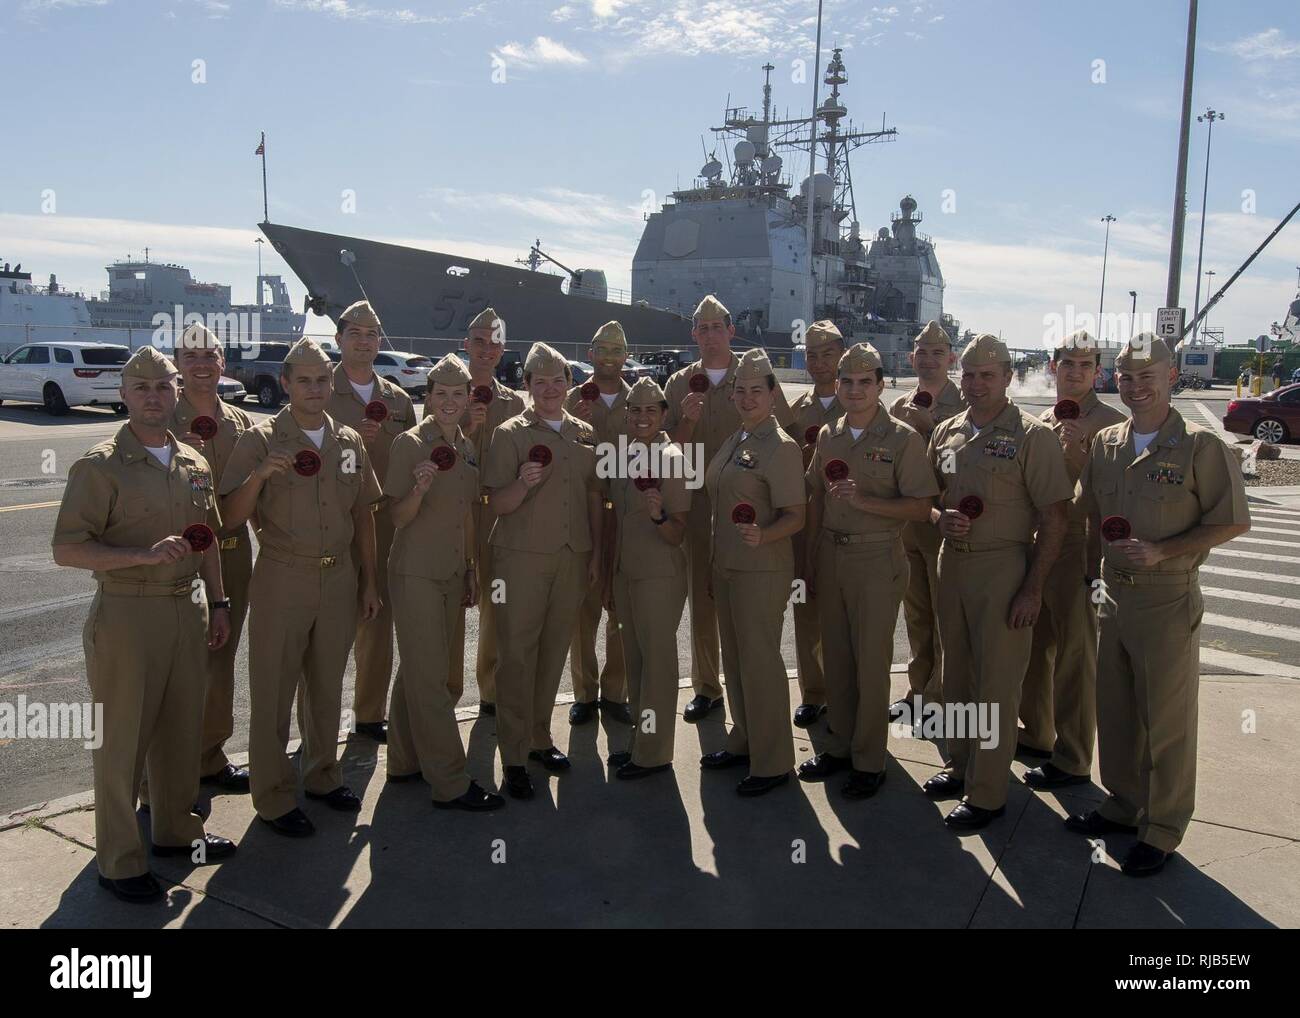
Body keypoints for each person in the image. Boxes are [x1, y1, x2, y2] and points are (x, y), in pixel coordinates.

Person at [52, 345, 234, 904]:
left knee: (181, 729)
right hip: (129, 612)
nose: (154, 397)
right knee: (122, 738)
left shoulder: (194, 461)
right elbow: (67, 549)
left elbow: (208, 540)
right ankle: (120, 861)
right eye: (141, 387)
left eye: (163, 387)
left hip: (189, 606)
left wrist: (221, 602)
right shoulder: (100, 465)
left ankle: (177, 831)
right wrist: (140, 556)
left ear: (177, 391)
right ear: (125, 394)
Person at [1067, 334, 1250, 876]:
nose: (1135, 385)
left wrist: (1162, 550)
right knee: (1117, 709)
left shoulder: (1199, 446)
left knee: (1165, 720)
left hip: (1166, 598)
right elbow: (1086, 511)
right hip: (1111, 592)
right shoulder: (1107, 443)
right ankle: (1123, 805)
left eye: (1147, 375)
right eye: (1126, 376)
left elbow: (1233, 520)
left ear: (1171, 377)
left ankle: (1164, 828)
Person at [221, 337, 382, 837]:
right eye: (304, 380)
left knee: (327, 682)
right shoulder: (261, 440)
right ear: (286, 383)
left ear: (331, 385)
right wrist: (259, 477)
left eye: (322, 380)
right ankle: (271, 796)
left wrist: (369, 581)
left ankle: (321, 775)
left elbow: (363, 514)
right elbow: (227, 518)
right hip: (282, 574)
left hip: (338, 576)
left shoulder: (350, 442)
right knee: (273, 687)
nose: (314, 389)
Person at [924, 333, 1072, 830]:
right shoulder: (946, 431)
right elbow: (930, 497)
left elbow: (1055, 516)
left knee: (997, 684)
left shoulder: (1033, 436)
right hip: (954, 564)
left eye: (988, 374)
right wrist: (938, 517)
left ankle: (987, 792)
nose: (976, 383)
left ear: (1008, 378)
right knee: (958, 675)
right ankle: (961, 763)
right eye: (968, 374)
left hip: (1004, 567)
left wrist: (1032, 589)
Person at [800, 342, 937, 799]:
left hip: (877, 558)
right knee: (836, 656)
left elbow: (921, 507)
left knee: (870, 662)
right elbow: (816, 498)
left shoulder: (902, 438)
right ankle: (839, 743)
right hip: (832, 554)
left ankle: (870, 758)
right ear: (836, 386)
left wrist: (866, 502)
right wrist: (811, 559)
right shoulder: (829, 435)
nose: (855, 390)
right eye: (847, 382)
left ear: (881, 386)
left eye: (865, 382)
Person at [138, 322, 254, 803]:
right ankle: (159, 778)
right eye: (191, 356)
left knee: (221, 659)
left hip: (232, 554)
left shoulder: (242, 423)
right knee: (174, 665)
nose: (202, 363)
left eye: (211, 355)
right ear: (178, 365)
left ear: (223, 362)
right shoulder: (163, 417)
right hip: (181, 557)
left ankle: (210, 755)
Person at [482, 342, 603, 800]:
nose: (550, 389)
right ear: (527, 386)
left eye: (558, 380)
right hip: (522, 559)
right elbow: (496, 502)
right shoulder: (509, 433)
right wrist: (522, 483)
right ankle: (512, 757)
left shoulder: (585, 434)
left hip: (571, 557)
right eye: (540, 381)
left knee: (553, 652)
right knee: (516, 656)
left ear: (570, 385)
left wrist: (593, 553)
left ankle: (538, 738)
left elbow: (594, 495)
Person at [383, 354, 504, 811]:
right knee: (431, 678)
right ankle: (450, 782)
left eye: (459, 394)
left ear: (468, 399)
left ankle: (403, 759)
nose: (450, 402)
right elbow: (397, 516)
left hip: (453, 572)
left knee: (423, 668)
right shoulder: (409, 445)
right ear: (427, 397)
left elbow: (469, 514)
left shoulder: (467, 447)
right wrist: (417, 489)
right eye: (441, 393)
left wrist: (472, 567)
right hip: (415, 572)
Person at [664, 295, 792, 723]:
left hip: (749, 507)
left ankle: (754, 690)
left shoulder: (755, 375)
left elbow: (785, 436)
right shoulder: (680, 383)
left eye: (717, 326)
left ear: (731, 331)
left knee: (748, 602)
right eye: (702, 327)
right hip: (698, 503)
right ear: (693, 333)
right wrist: (685, 421)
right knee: (703, 597)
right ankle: (707, 686)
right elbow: (663, 451)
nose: (710, 334)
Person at [1018, 330, 1126, 787]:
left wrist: (1083, 452)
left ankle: (1075, 756)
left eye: (1085, 366)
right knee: (1034, 647)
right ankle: (1039, 733)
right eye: (1067, 364)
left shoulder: (1113, 424)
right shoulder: (1042, 420)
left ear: (1097, 372)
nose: (1075, 372)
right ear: (1053, 368)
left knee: (1075, 656)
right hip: (1039, 545)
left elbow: (1117, 495)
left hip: (1080, 547)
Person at [700, 348, 804, 796]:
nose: (745, 398)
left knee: (760, 661)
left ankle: (774, 760)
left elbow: (796, 515)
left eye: (755, 391)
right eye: (740, 391)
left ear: (772, 393)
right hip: (727, 566)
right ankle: (744, 740)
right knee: (736, 660)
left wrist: (766, 535)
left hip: (761, 570)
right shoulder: (737, 439)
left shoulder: (779, 447)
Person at [326, 300, 415, 743]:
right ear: (339, 339)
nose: (364, 342)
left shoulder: (396, 398)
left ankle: (369, 714)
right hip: (333, 522)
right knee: (328, 626)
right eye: (356, 333)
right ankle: (320, 723)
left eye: (372, 334)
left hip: (381, 522)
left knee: (378, 620)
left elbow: (412, 454)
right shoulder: (320, 392)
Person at [604, 377, 691, 779]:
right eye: (635, 410)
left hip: (659, 574)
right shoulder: (624, 456)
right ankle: (642, 740)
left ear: (663, 415)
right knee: (636, 662)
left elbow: (678, 533)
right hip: (628, 572)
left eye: (650, 410)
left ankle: (654, 754)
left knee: (657, 665)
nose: (642, 417)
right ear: (626, 416)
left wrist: (658, 515)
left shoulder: (673, 458)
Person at [887, 320, 966, 721]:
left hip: (945, 520)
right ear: (911, 357)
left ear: (951, 358)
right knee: (915, 610)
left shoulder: (966, 403)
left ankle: (940, 698)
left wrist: (932, 428)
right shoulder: (900, 405)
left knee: (944, 612)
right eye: (923, 352)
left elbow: (968, 463)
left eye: (938, 353)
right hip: (908, 522)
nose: (929, 360)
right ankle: (918, 689)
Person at [454, 306, 525, 714]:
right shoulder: (445, 394)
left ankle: (491, 693)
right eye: (478, 340)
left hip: (499, 516)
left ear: (502, 350)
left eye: (493, 342)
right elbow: (428, 451)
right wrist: (467, 428)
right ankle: (444, 694)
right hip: (456, 516)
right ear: (466, 345)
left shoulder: (514, 404)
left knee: (497, 606)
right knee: (450, 604)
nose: (485, 349)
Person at [563, 320, 632, 726]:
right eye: (602, 349)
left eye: (617, 350)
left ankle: (616, 692)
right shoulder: (569, 398)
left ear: (626, 355)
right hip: (582, 512)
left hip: (625, 511)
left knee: (620, 604)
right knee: (583, 607)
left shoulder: (642, 399)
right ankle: (585, 692)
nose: (609, 357)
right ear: (589, 353)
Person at [782, 319, 846, 728]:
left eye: (827, 354)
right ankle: (813, 692)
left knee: (841, 615)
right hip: (805, 523)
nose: (819, 362)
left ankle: (843, 694)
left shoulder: (858, 404)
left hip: (844, 524)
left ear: (842, 355)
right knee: (805, 610)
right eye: (812, 355)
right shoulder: (797, 409)